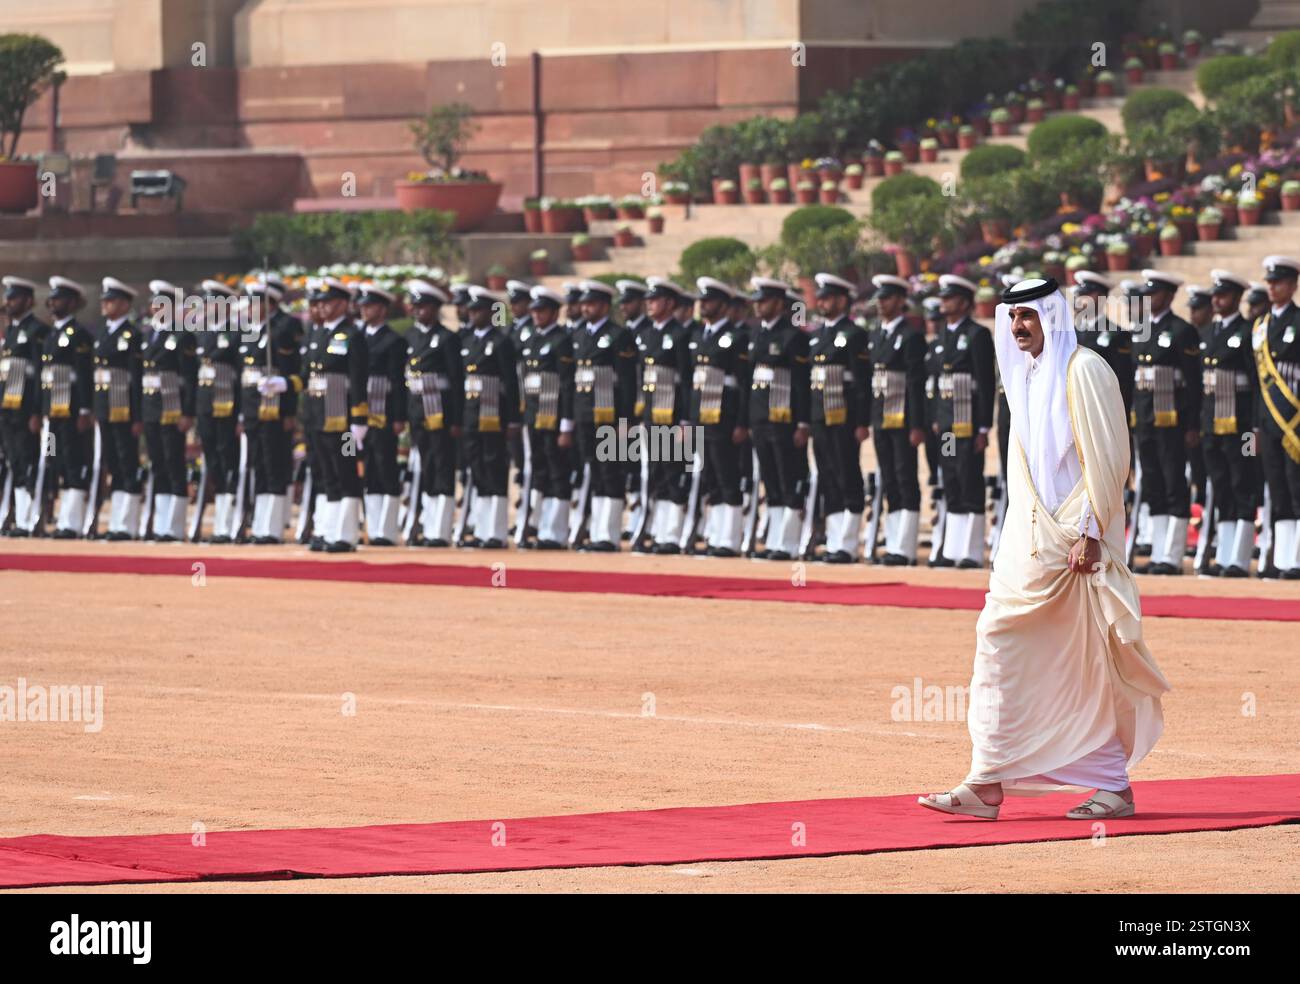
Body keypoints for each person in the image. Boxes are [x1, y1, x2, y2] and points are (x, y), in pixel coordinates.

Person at [918, 278, 1170, 821]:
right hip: (1027, 546)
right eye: (1011, 318)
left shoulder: (1085, 370)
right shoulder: (1025, 376)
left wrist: (1090, 531)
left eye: (1026, 317)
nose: (1017, 328)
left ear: (1051, 316)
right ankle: (986, 780)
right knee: (999, 645)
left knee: (1077, 667)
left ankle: (1110, 785)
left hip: (1074, 547)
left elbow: (1108, 459)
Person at [1131, 270, 1201, 575]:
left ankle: (1172, 554)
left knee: (1174, 484)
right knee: (1153, 485)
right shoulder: (1140, 329)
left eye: (1155, 294)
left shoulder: (1182, 330)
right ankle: (1157, 552)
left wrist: (1192, 424)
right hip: (1145, 419)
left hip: (1172, 419)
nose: (1149, 299)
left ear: (1170, 296)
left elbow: (1194, 382)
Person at [926, 274, 995, 568]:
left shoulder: (977, 335)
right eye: (942, 298)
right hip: (947, 426)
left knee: (969, 479)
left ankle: (972, 550)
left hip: (968, 424)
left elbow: (985, 381)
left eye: (949, 298)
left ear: (964, 302)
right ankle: (952, 548)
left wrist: (983, 426)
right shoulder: (940, 337)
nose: (944, 303)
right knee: (951, 479)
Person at [301, 277, 370, 552]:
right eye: (320, 302)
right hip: (318, 416)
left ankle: (346, 534)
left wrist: (359, 420)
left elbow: (358, 380)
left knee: (346, 473)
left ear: (343, 304)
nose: (323, 307)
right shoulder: (317, 334)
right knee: (325, 472)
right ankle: (328, 530)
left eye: (328, 302)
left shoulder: (353, 336)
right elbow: (308, 374)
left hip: (343, 420)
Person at [746, 276, 810, 560]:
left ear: (779, 303)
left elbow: (801, 384)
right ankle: (774, 539)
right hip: (760, 417)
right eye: (757, 301)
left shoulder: (793, 336)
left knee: (788, 478)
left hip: (785, 419)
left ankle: (790, 541)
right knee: (770, 480)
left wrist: (803, 423)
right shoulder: (757, 334)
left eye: (764, 301)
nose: (759, 306)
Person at [808, 272, 870, 563]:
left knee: (847, 474)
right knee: (828, 475)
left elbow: (861, 382)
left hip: (844, 416)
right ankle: (834, 540)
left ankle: (847, 542)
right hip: (820, 415)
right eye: (820, 297)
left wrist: (861, 421)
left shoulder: (855, 334)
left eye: (828, 297)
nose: (822, 302)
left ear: (843, 300)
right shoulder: (818, 335)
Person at [687, 277, 752, 557]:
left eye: (710, 301)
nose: (704, 306)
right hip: (702, 414)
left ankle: (730, 538)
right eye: (702, 301)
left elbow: (745, 384)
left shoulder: (737, 338)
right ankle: (715, 534)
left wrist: (741, 422)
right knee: (710, 476)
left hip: (725, 415)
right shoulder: (700, 336)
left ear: (723, 306)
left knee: (728, 475)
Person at [1200, 269, 1258, 576]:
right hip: (1212, 424)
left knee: (1243, 482)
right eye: (1215, 294)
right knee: (1221, 485)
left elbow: (1257, 384)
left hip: (1244, 426)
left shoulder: (1248, 332)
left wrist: (1257, 427)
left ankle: (1240, 556)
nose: (1216, 300)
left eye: (1222, 295)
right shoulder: (1209, 333)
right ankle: (1224, 554)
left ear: (1236, 298)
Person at [571, 280, 636, 551]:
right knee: (595, 471)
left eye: (592, 304)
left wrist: (625, 421)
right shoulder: (578, 335)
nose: (586, 308)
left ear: (605, 307)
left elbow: (628, 382)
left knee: (611, 472)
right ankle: (598, 531)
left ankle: (609, 534)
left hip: (611, 415)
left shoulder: (618, 335)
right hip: (585, 413)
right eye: (584, 304)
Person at [867, 274, 926, 565]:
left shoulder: (911, 335)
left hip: (903, 418)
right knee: (889, 478)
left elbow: (916, 383)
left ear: (901, 301)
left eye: (887, 298)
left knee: (905, 478)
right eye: (879, 298)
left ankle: (905, 547)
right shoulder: (876, 334)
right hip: (881, 416)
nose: (881, 304)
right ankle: (893, 543)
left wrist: (917, 424)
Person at [240, 278, 302, 545]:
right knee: (259, 465)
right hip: (254, 405)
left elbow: (293, 369)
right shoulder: (252, 328)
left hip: (276, 407)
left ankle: (273, 527)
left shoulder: (286, 326)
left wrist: (289, 411)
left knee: (275, 463)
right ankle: (260, 523)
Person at [637, 277, 694, 553]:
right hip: (651, 415)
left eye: (655, 300)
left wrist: (685, 420)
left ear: (670, 303)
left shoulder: (681, 335)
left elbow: (685, 381)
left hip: (672, 416)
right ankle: (658, 532)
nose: (649, 304)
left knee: (673, 471)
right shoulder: (647, 335)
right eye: (648, 300)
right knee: (656, 472)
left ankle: (672, 534)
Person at [403, 279, 463, 547]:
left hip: (440, 410)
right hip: (417, 409)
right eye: (415, 306)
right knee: (425, 465)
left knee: (442, 466)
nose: (418, 311)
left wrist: (455, 419)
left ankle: (440, 528)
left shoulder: (447, 338)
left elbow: (456, 381)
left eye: (424, 307)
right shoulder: (410, 337)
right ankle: (427, 525)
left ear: (435, 308)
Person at [460, 285, 520, 548]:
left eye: (478, 310)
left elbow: (511, 382)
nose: (473, 315)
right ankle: (482, 529)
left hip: (494, 413)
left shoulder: (501, 341)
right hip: (472, 414)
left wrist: (513, 419)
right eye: (470, 310)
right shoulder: (468, 340)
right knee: (478, 470)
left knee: (495, 468)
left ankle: (496, 531)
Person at [1253, 255, 1300, 579]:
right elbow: (1257, 381)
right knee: (1276, 488)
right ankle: (1282, 559)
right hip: (1267, 424)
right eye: (1269, 282)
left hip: (1295, 421)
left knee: (1297, 488)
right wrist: (1253, 429)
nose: (1272, 287)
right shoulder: (1259, 327)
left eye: (1278, 282)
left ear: (1293, 285)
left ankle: (1296, 559)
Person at [518, 285, 575, 549]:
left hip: (553, 416)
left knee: (557, 471)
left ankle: (556, 531)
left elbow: (566, 385)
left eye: (541, 310)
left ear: (554, 312)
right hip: (533, 414)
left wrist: (566, 424)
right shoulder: (532, 340)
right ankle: (539, 526)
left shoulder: (561, 340)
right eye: (534, 310)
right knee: (538, 470)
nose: (536, 315)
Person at [140, 280, 197, 542]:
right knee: (158, 464)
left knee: (174, 463)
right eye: (154, 303)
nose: (155, 308)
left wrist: (188, 412)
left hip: (173, 407)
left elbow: (190, 376)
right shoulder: (149, 334)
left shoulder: (182, 335)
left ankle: (174, 526)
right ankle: (161, 523)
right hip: (151, 406)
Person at [40, 277, 95, 538]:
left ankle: (71, 521)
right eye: (51, 299)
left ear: (72, 303)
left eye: (59, 299)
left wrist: (85, 409)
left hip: (72, 410)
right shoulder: (51, 334)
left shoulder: (79, 334)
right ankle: (57, 516)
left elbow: (84, 375)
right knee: (54, 459)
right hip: (51, 413)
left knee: (73, 461)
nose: (53, 303)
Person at [92, 277, 145, 540]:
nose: (105, 305)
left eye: (110, 301)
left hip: (124, 407)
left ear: (124, 304)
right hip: (104, 406)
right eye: (104, 300)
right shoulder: (103, 333)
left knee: (127, 460)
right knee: (112, 461)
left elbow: (136, 377)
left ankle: (128, 522)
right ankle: (116, 521)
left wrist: (138, 415)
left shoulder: (132, 335)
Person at [354, 283, 407, 546]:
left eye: (370, 306)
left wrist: (399, 416)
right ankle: (372, 526)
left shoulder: (394, 341)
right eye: (362, 306)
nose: (364, 311)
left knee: (385, 465)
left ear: (382, 309)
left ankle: (387, 529)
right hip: (359, 411)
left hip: (383, 410)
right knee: (368, 470)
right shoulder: (357, 336)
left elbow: (398, 382)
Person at [194, 279, 243, 543]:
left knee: (228, 459)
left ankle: (230, 521)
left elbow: (242, 375)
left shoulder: (236, 333)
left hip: (228, 406)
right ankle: (220, 521)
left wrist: (242, 414)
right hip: (205, 406)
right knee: (212, 460)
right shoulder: (202, 333)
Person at [0, 276, 50, 535]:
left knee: (28, 460)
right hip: (6, 408)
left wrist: (36, 411)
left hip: (25, 408)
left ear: (28, 300)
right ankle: (17, 517)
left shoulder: (38, 331)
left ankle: (29, 519)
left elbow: (41, 374)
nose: (8, 302)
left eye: (14, 297)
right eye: (7, 297)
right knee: (13, 461)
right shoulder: (10, 332)